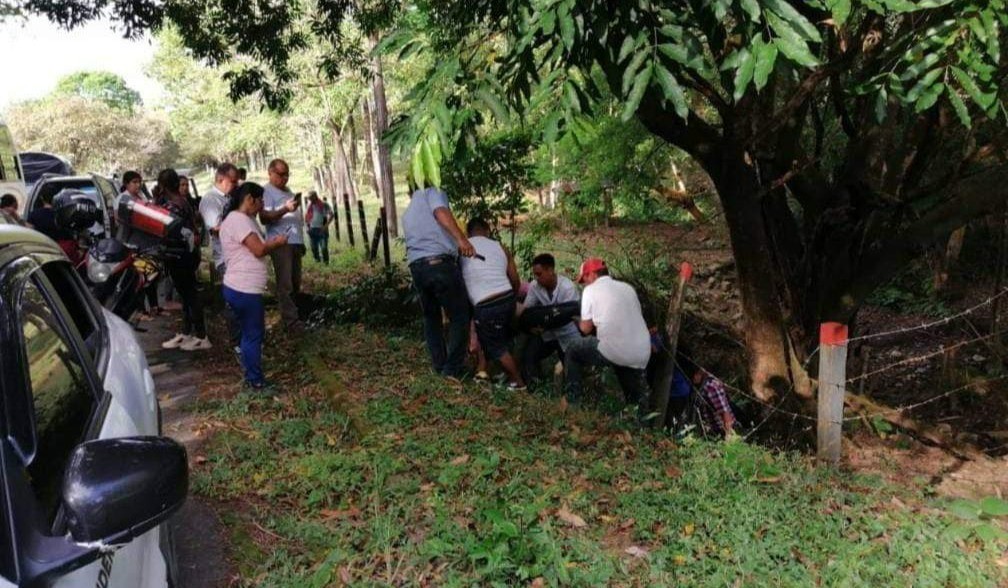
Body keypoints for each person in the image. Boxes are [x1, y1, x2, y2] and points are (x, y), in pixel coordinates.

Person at [219, 182, 288, 392]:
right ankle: (255, 381)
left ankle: (251, 372)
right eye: (260, 201)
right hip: (244, 288)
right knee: (253, 335)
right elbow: (258, 250)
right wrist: (276, 243)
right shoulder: (240, 221)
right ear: (249, 199)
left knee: (249, 334)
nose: (262, 206)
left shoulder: (238, 219)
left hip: (239, 286)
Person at [403, 182, 475, 378]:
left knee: (431, 317)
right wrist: (462, 240)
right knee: (460, 315)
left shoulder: (408, 210)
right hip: (439, 263)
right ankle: (452, 370)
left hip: (417, 267)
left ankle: (439, 365)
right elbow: (441, 212)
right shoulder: (432, 192)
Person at [564, 257, 651, 408]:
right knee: (635, 400)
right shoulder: (627, 288)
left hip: (617, 350)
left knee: (572, 349)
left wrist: (576, 320)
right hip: (642, 351)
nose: (584, 284)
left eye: (584, 279)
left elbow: (586, 328)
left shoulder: (590, 290)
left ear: (592, 274)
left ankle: (572, 402)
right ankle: (642, 425)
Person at [460, 218, 525, 390]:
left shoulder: (462, 248)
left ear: (468, 233)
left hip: (487, 304)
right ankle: (484, 372)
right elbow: (515, 281)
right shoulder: (501, 247)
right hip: (507, 298)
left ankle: (517, 381)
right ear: (487, 231)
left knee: (495, 347)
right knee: (494, 337)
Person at [158, 168, 211, 351]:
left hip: (180, 255)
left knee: (189, 294)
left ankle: (201, 336)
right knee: (186, 294)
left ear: (162, 185)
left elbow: (167, 230)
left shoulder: (171, 206)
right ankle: (187, 332)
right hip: (187, 254)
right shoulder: (181, 202)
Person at [199, 162, 242, 354]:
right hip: (226, 257)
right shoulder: (210, 200)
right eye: (233, 181)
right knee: (233, 301)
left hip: (238, 255)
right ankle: (237, 342)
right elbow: (216, 229)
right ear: (220, 179)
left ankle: (244, 337)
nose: (235, 184)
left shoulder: (230, 197)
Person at [519, 253, 581, 385]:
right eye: (535, 274)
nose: (536, 278)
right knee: (529, 355)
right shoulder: (535, 286)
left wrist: (543, 320)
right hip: (547, 333)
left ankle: (573, 394)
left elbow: (568, 315)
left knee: (572, 366)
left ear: (550, 270)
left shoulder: (568, 288)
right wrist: (530, 325)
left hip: (567, 333)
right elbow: (528, 310)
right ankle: (535, 387)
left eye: (539, 274)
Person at [259, 158, 305, 332]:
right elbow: (264, 218)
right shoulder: (266, 191)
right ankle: (290, 321)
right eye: (280, 174)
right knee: (285, 284)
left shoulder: (287, 190)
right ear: (270, 173)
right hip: (280, 243)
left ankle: (295, 316)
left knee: (295, 282)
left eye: (287, 174)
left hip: (294, 241)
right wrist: (286, 209)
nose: (285, 178)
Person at [677, 351, 736, 438]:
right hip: (710, 430)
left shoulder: (711, 387)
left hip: (721, 430)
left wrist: (729, 435)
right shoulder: (699, 387)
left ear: (701, 372)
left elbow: (725, 412)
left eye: (695, 374)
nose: (692, 378)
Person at [305, 191, 333, 264]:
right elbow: (307, 218)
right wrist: (307, 228)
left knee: (324, 248)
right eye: (309, 198)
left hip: (322, 230)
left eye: (311, 198)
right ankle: (317, 262)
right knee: (314, 248)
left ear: (315, 196)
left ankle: (326, 263)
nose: (310, 200)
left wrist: (326, 226)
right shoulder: (309, 206)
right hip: (312, 229)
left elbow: (331, 215)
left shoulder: (324, 204)